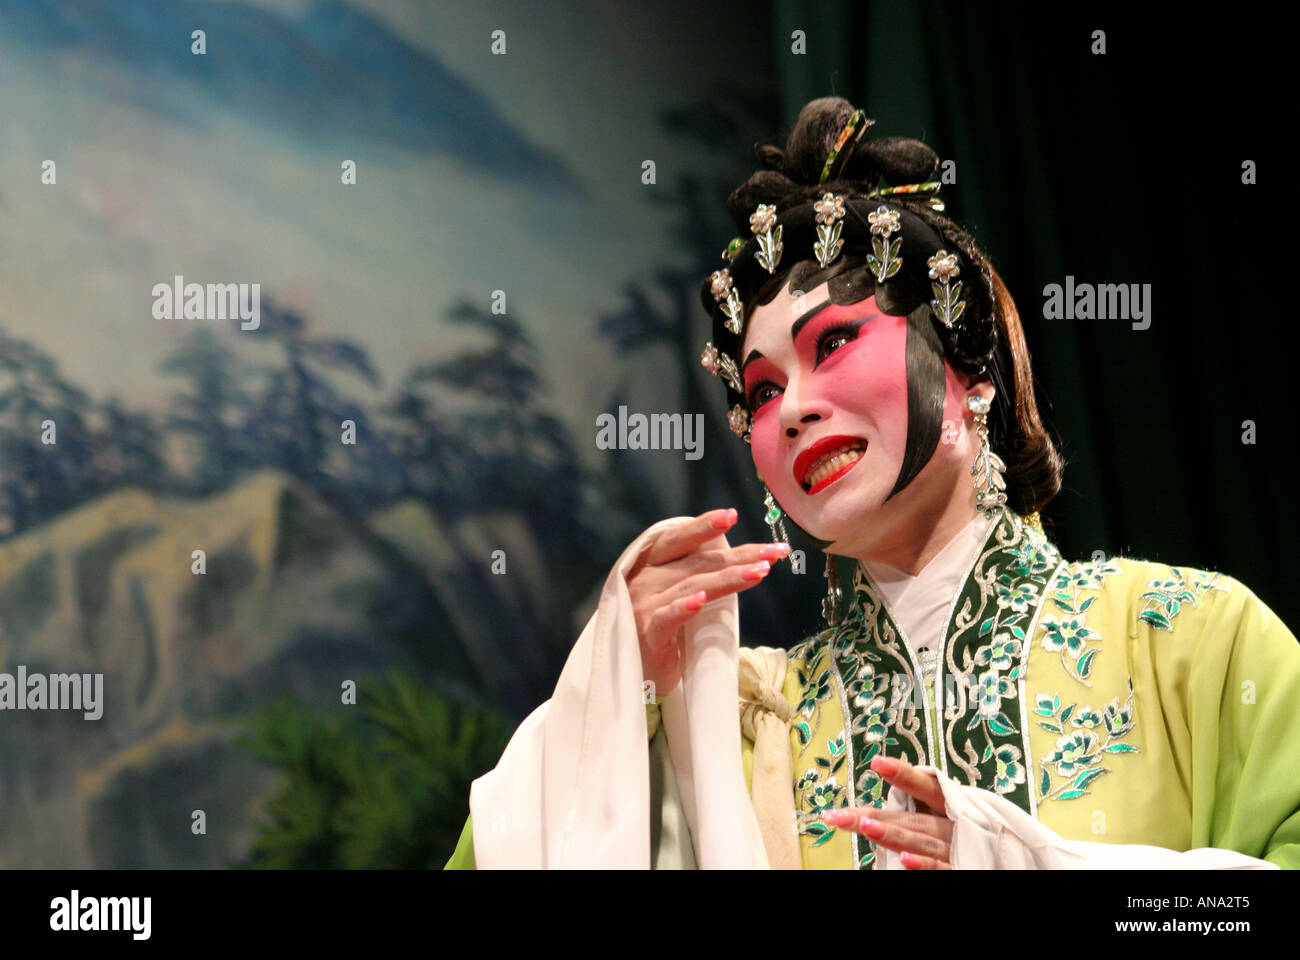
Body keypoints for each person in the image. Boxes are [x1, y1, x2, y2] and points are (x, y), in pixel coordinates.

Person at [444, 97, 1300, 869]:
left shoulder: (1191, 641)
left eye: (835, 345)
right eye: (764, 389)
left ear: (970, 371)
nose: (793, 410)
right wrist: (616, 685)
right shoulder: (736, 723)